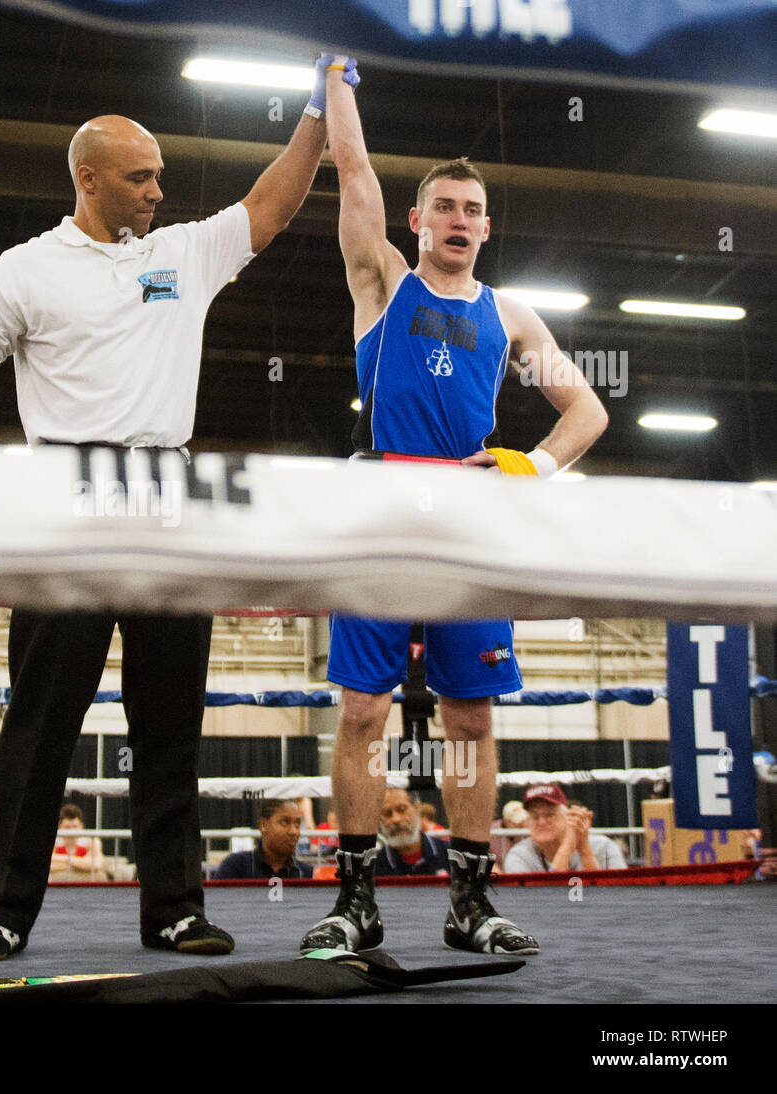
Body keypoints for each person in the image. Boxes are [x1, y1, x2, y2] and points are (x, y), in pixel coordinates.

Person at [0, 57, 337, 961]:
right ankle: (2, 912)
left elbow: (271, 207)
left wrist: (316, 108)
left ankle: (175, 909)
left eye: (158, 175)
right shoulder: (23, 270)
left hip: (168, 496)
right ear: (88, 177)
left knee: (169, 720)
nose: (157, 189)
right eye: (140, 176)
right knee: (40, 724)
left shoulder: (180, 255)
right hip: (64, 500)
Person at [301, 59, 608, 958]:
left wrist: (531, 464)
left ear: (486, 226)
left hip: (473, 522)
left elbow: (587, 410)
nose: (461, 221)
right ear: (418, 220)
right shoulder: (383, 286)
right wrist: (334, 80)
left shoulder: (511, 314)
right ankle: (354, 898)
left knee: (471, 718)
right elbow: (353, 169)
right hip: (384, 511)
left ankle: (472, 902)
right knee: (364, 710)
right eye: (446, 207)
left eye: (473, 210)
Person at [504, 784, 628, 872]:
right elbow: (548, 902)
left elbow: (616, 895)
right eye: (535, 816)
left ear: (567, 816)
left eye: (549, 814)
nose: (541, 822)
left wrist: (584, 848)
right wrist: (568, 845)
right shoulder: (519, 855)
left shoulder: (604, 847)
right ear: (527, 823)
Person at [215, 800, 313, 880]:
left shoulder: (306, 874)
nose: (293, 831)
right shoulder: (236, 867)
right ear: (263, 825)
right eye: (284, 822)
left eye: (297, 824)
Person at [374, 788, 448, 877]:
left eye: (402, 810)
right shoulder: (374, 866)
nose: (396, 819)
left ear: (417, 808)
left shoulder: (450, 855)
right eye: (387, 813)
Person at [49, 803, 105, 879]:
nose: (72, 831)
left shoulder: (92, 841)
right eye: (67, 827)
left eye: (75, 827)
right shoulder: (55, 842)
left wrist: (61, 859)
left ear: (81, 826)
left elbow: (96, 864)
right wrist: (81, 865)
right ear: (60, 826)